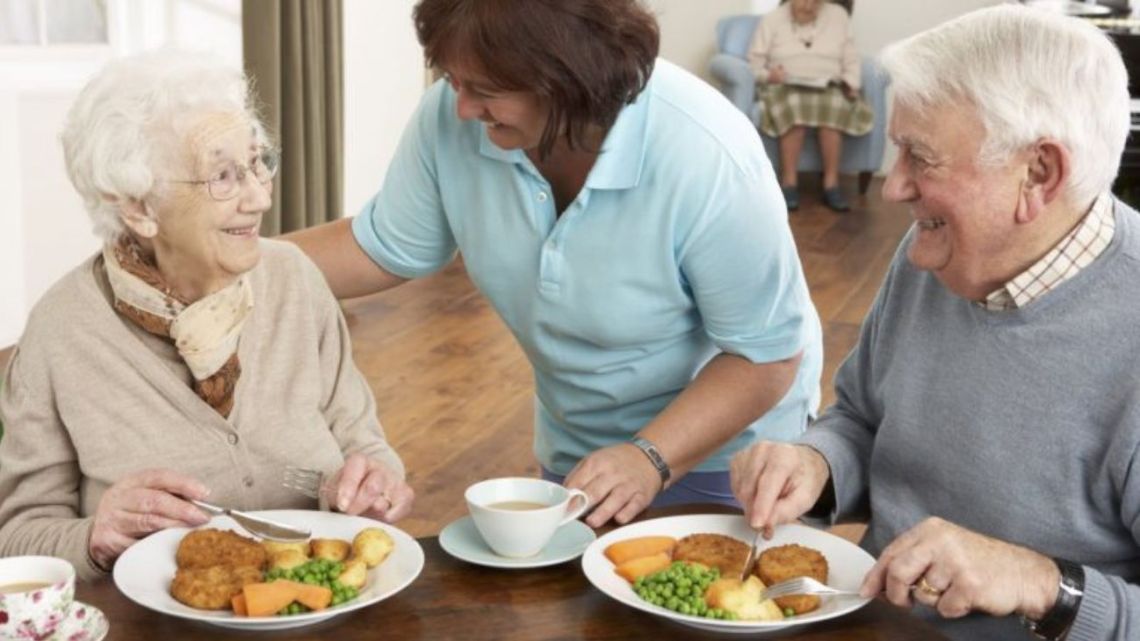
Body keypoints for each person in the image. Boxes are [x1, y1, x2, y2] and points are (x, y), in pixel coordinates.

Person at [289, 0, 823, 529]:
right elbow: (380, 246)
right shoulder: (454, 120)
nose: (463, 109)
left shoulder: (707, 154)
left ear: (566, 81)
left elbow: (766, 356)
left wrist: (650, 457)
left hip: (727, 452)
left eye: (486, 90)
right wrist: (231, 261)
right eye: (454, 80)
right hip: (581, 445)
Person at [730, 5, 1138, 640]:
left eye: (919, 157)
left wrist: (1039, 584)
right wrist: (818, 465)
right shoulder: (936, 252)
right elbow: (863, 415)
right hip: (872, 621)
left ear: (1039, 173)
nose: (893, 188)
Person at [0, 51, 413, 581]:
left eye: (258, 162)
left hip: (317, 606)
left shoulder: (294, 279)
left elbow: (364, 443)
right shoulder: (60, 331)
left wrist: (374, 484)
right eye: (222, 176)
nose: (259, 195)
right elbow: (16, 539)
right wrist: (94, 537)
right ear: (138, 208)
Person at [748, 0, 873, 212]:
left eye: (815, 2)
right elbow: (754, 63)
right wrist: (769, 75)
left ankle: (831, 184)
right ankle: (789, 183)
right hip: (785, 85)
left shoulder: (838, 16)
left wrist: (851, 82)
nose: (808, 6)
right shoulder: (772, 19)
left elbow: (851, 57)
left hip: (827, 84)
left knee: (834, 107)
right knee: (794, 107)